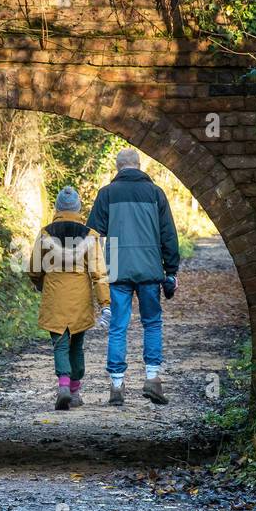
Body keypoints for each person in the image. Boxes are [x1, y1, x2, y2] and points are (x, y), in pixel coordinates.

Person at [86, 148, 179, 406]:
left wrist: (94, 271)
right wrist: (171, 270)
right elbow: (168, 234)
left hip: (116, 267)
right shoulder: (156, 193)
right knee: (152, 323)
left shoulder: (106, 194)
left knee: (118, 326)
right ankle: (152, 379)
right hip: (150, 268)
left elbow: (93, 235)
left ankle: (116, 386)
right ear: (139, 166)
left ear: (118, 168)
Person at [28, 186, 111, 410]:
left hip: (55, 296)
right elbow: (99, 274)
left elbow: (35, 268)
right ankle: (74, 391)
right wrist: (105, 304)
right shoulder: (90, 236)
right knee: (77, 345)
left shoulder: (45, 233)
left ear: (57, 208)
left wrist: (39, 285)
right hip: (79, 299)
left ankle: (63, 385)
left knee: (60, 344)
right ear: (78, 208)